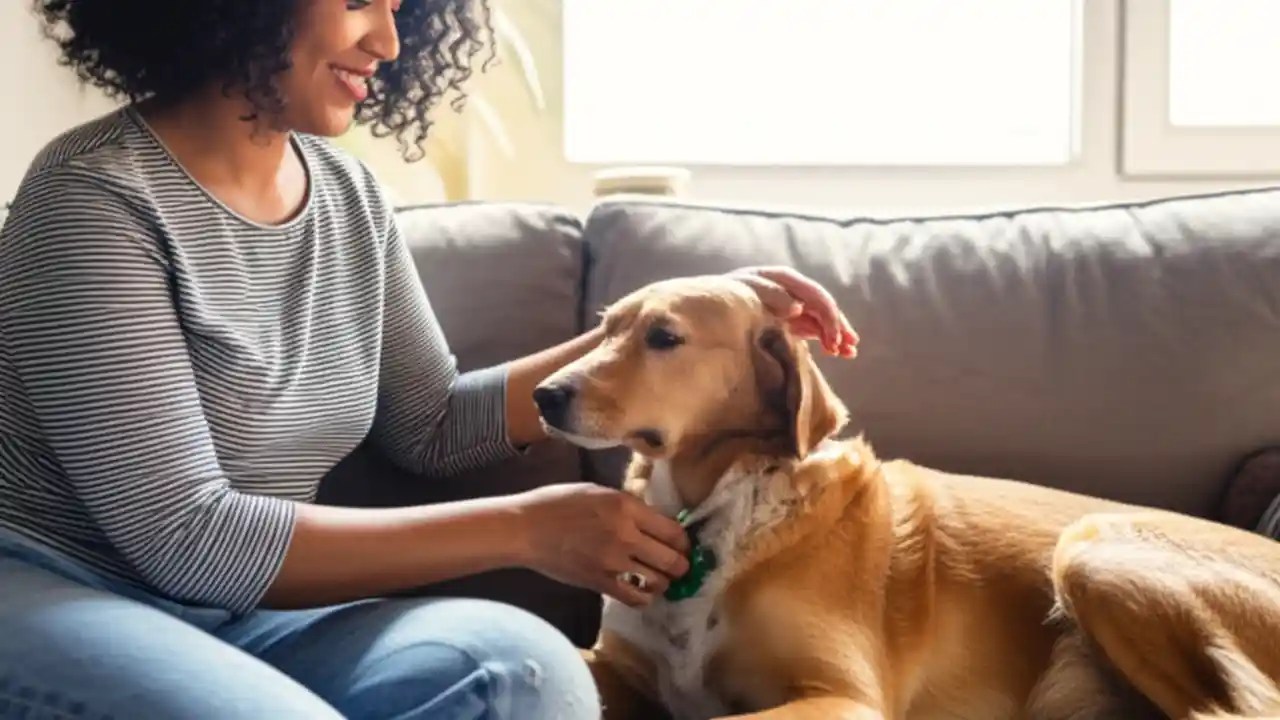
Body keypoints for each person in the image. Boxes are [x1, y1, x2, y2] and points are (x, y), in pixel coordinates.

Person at [0, 0, 859, 718]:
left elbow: (433, 423)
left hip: (243, 613)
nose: (389, 41)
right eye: (358, 2)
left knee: (529, 674)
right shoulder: (93, 200)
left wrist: (701, 308)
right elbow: (187, 538)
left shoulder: (343, 193)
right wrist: (528, 530)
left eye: (401, 8)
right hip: (58, 590)